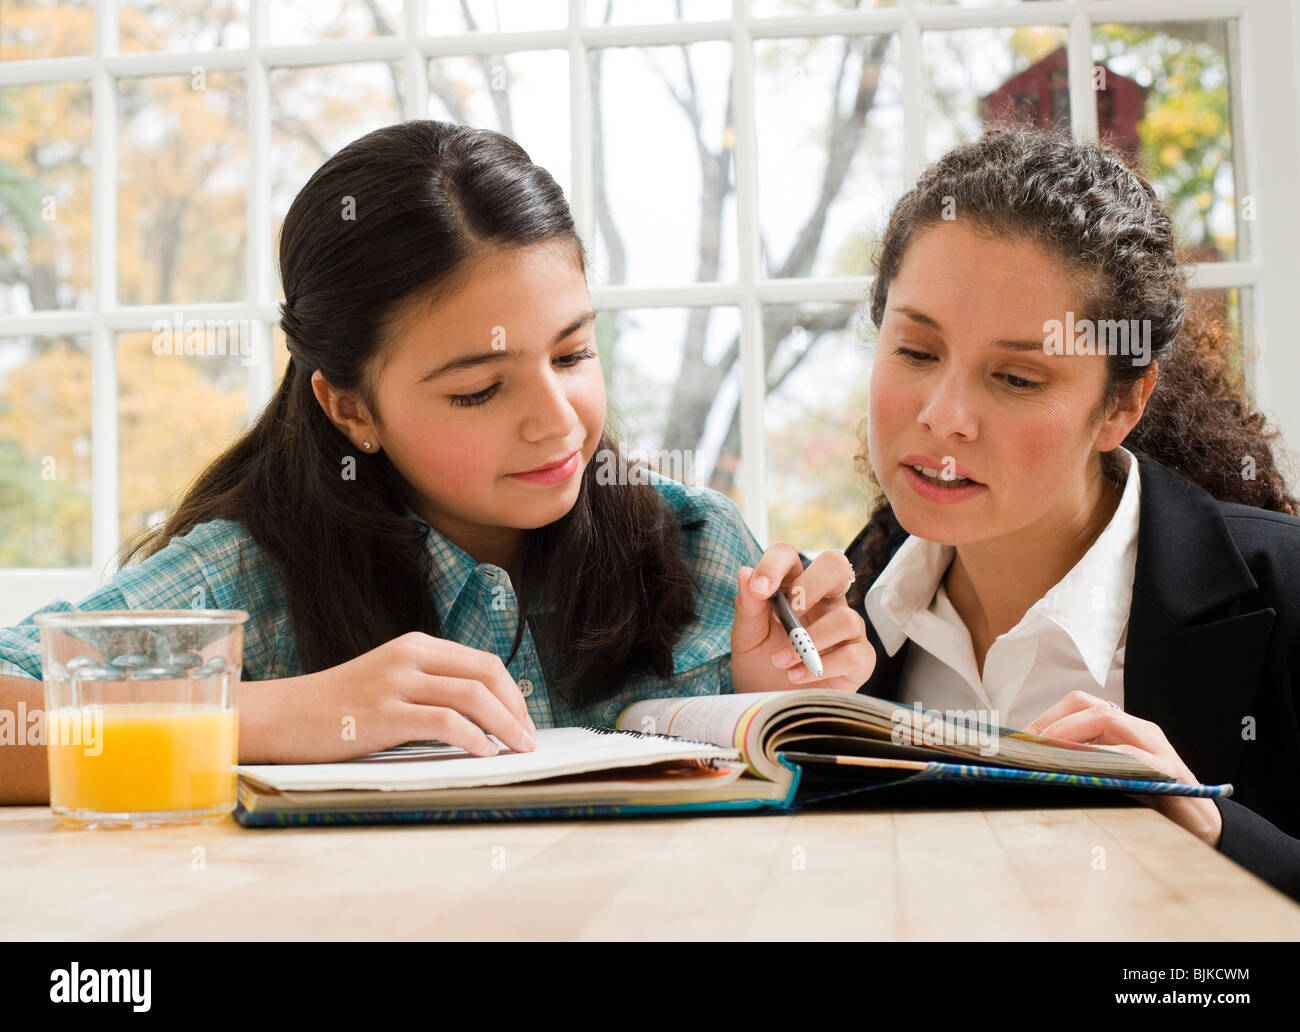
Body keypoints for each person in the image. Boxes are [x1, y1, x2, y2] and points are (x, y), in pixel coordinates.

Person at [0, 120, 871, 803]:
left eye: (571, 356)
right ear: (350, 407)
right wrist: (271, 715)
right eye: (479, 392)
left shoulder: (700, 546)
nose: (555, 422)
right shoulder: (253, 575)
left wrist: (776, 702)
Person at [844, 127, 1300, 902]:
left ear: (1122, 404)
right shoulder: (847, 622)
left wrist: (1214, 833)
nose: (944, 416)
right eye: (917, 353)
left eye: (1017, 378)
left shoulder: (1283, 590)